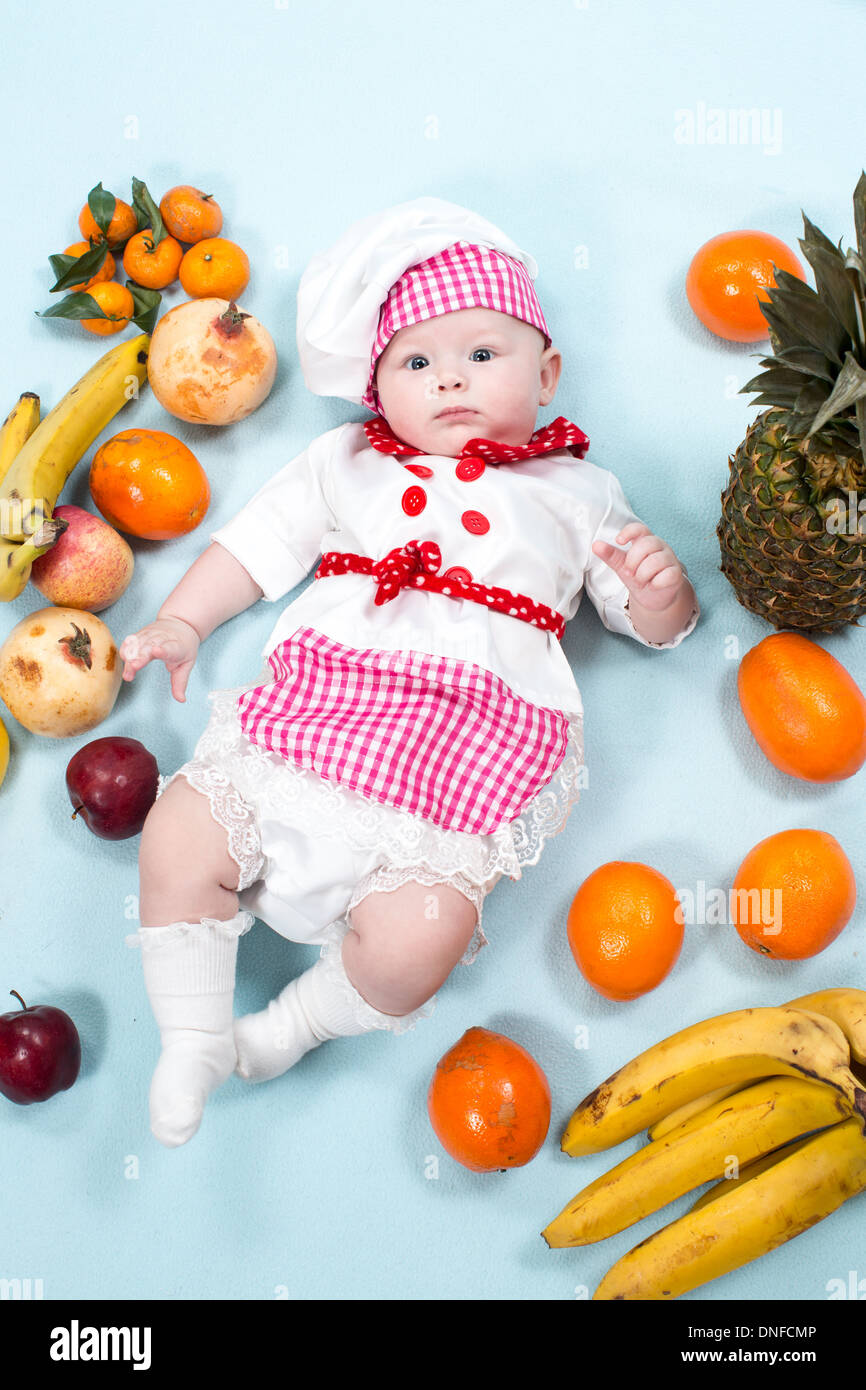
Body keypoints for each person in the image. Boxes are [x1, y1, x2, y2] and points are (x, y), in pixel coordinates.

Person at [119, 196, 699, 1148]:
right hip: (319, 723)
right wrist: (184, 619)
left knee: (419, 943)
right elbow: (258, 545)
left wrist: (660, 592)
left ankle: (284, 1028)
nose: (450, 380)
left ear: (546, 374)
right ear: (377, 389)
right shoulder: (346, 461)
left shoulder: (578, 493)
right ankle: (189, 1034)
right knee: (180, 836)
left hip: (459, 767)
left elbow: (643, 623)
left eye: (483, 353)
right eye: (416, 363)